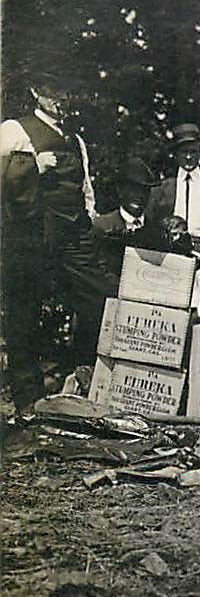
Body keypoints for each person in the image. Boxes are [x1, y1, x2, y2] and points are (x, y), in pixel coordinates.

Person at [0, 71, 108, 411]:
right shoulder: (14, 129)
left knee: (98, 301)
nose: (61, 98)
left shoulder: (77, 140)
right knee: (24, 312)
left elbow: (86, 187)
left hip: (74, 235)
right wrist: (35, 166)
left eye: (66, 91)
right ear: (36, 92)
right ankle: (27, 398)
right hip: (33, 235)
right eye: (53, 91)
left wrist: (88, 217)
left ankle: (78, 376)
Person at [145, 123, 200, 274]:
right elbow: (150, 223)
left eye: (193, 152)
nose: (188, 157)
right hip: (171, 249)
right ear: (175, 155)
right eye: (183, 152)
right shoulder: (162, 189)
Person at [91, 157, 163, 282]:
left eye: (145, 191)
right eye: (133, 189)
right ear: (120, 190)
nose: (139, 196)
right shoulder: (101, 226)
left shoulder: (157, 232)